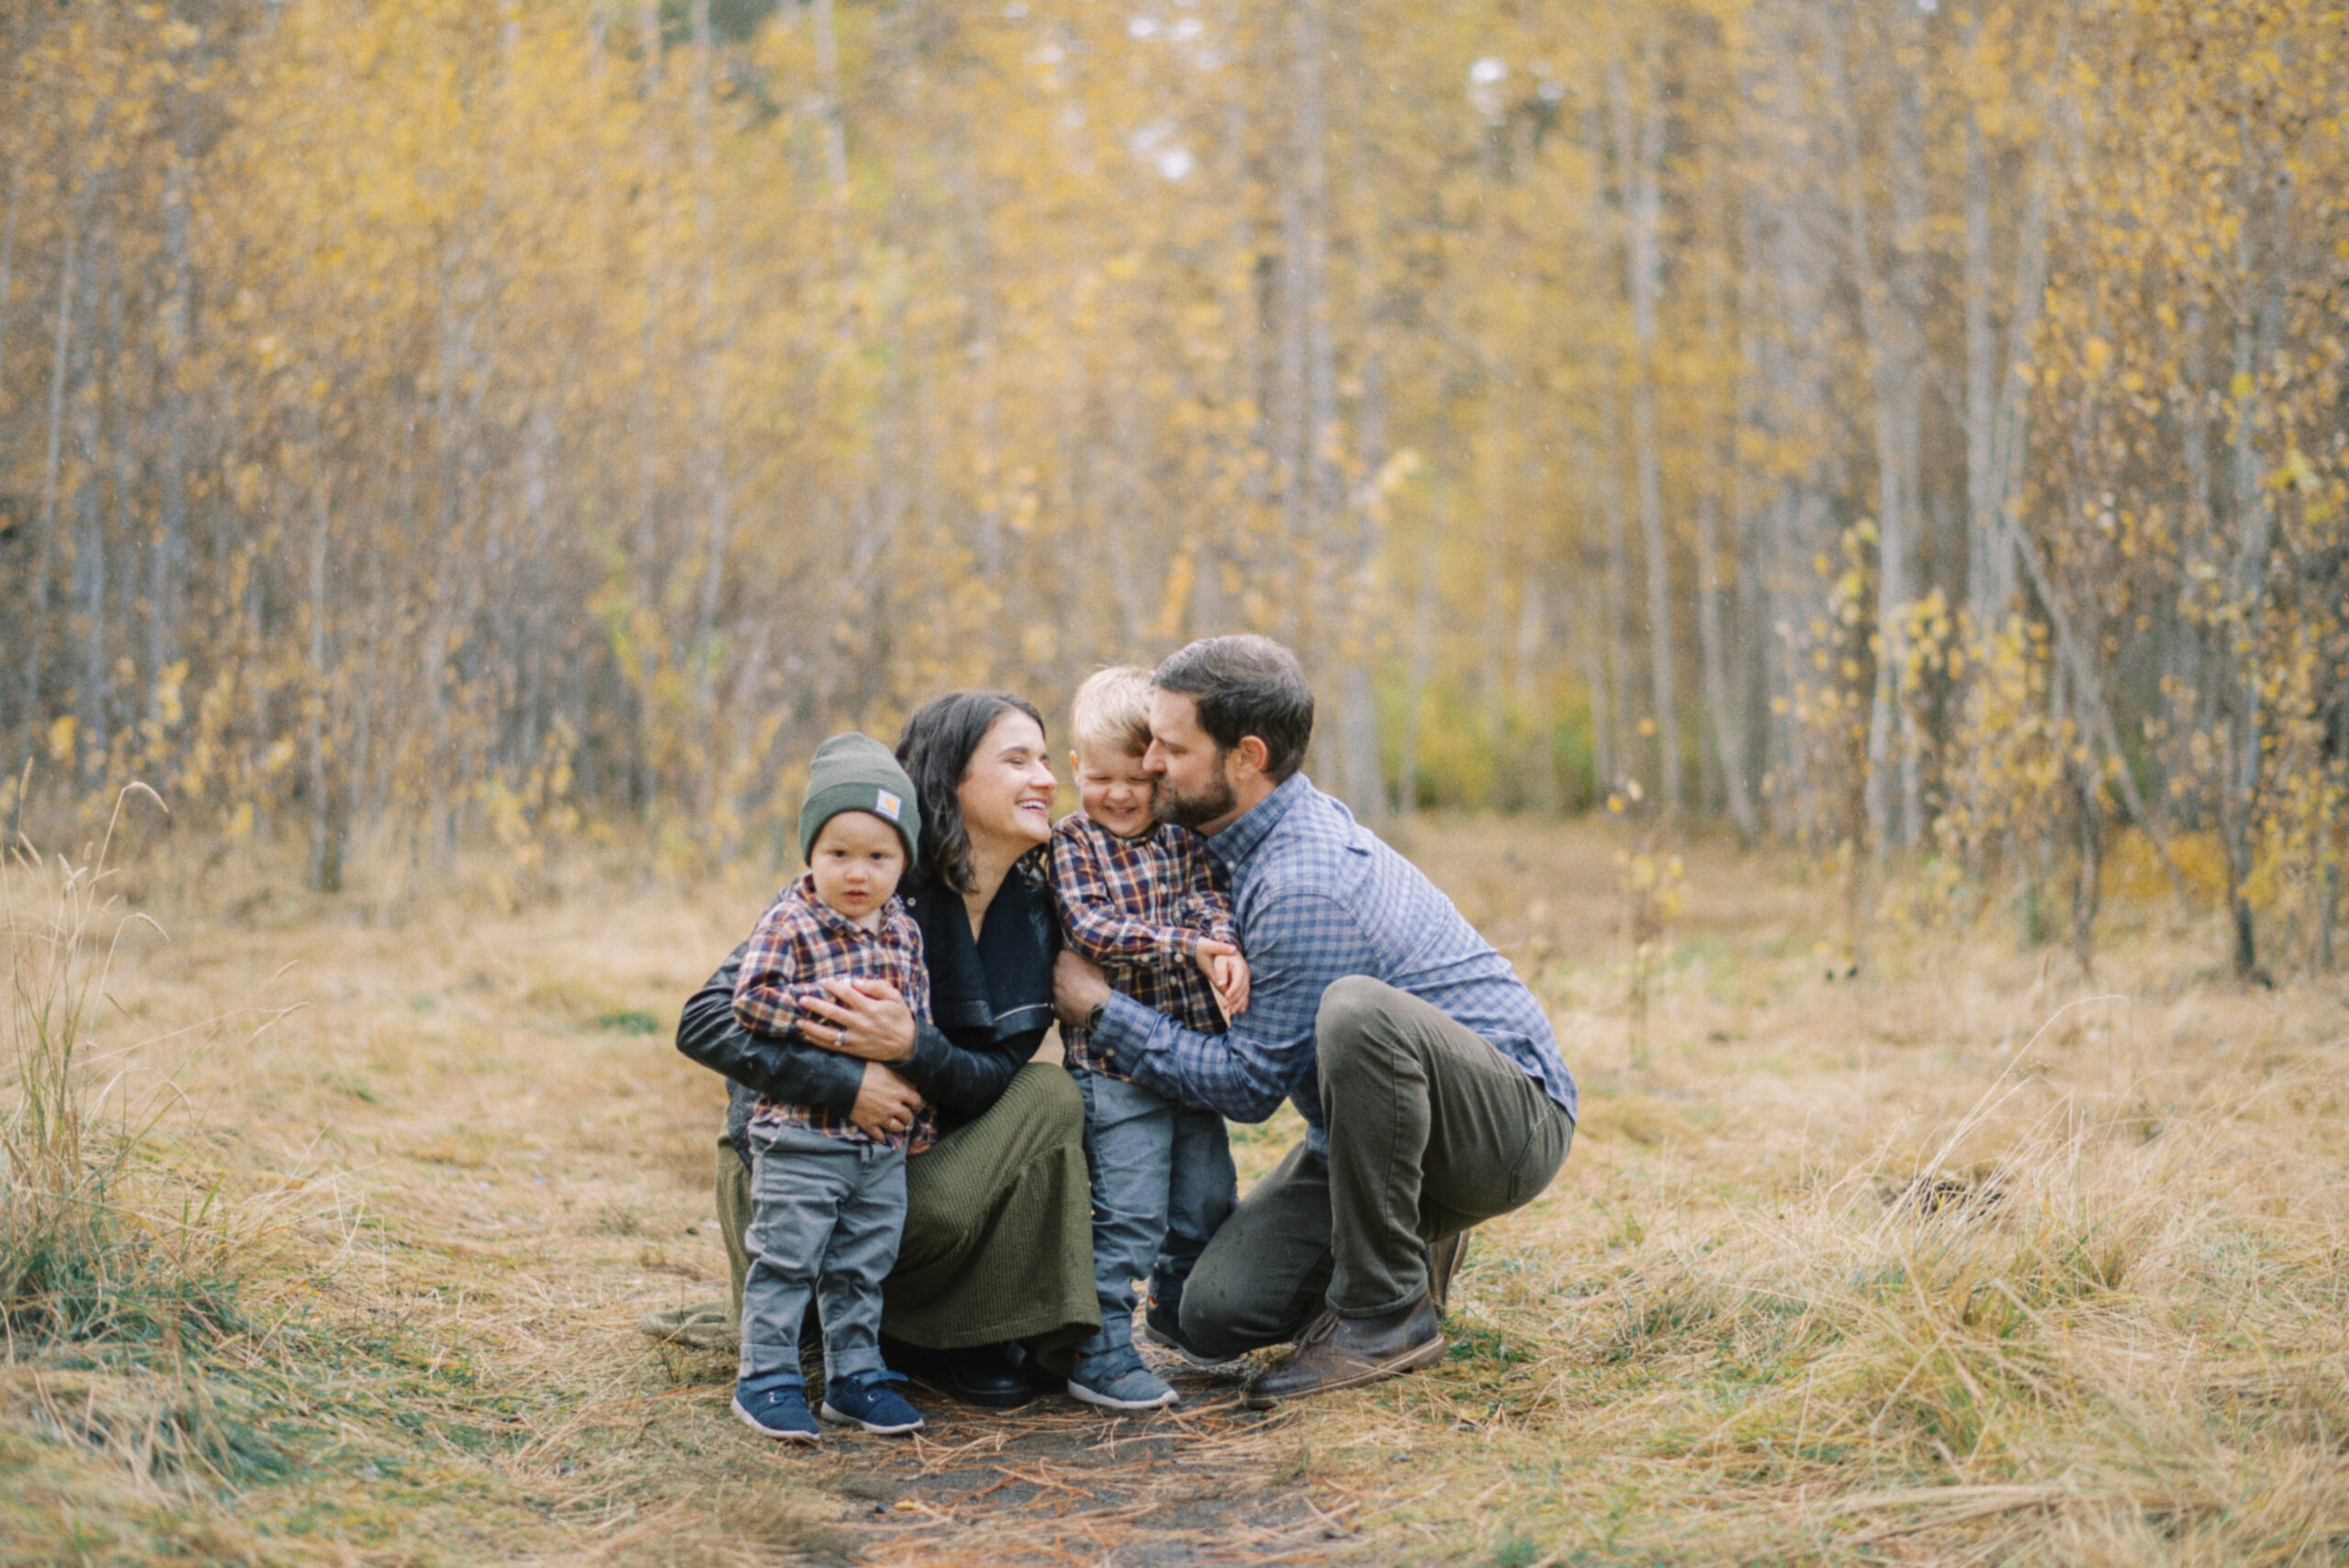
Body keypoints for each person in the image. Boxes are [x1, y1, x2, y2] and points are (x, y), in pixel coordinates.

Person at [1052, 635, 1579, 1407]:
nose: (1149, 763)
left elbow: (1248, 1088)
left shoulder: (1301, 882)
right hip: (1374, 1129)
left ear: (1246, 757)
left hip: (1504, 1127)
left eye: (1170, 746)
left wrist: (1100, 1010)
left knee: (1357, 1013)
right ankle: (1411, 1235)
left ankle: (1383, 1311)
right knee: (1207, 1313)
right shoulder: (1234, 831)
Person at [664, 691, 1097, 1409]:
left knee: (1049, 1095)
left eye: (1047, 760)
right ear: (949, 780)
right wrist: (845, 1079)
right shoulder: (865, 881)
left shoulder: (1034, 910)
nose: (1048, 779)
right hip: (795, 1169)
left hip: (897, 1174)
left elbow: (991, 1078)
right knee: (847, 1183)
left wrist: (913, 1045)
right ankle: (811, 1328)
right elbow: (704, 1018)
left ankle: (970, 1331)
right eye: (1017, 759)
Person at [1048, 667, 1250, 1412]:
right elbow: (1091, 927)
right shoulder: (1073, 841)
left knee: (1206, 1200)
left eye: (1137, 777)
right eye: (1101, 777)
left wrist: (1222, 944)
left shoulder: (1181, 838)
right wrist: (1183, 946)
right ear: (1077, 770)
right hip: (1114, 1074)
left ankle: (1173, 1308)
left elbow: (1210, 900)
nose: (1121, 795)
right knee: (1128, 1210)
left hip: (1188, 1060)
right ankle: (1097, 1349)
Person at [727, 733, 931, 1441]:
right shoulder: (791, 921)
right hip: (801, 1136)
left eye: (878, 857)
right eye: (838, 853)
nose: (856, 873)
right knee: (786, 1257)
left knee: (861, 1264)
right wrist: (832, 1025)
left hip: (878, 1144)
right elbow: (750, 1000)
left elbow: (916, 1030)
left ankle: (856, 1376)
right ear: (811, 853)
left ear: (903, 860)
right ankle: (767, 1377)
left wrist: (919, 1119)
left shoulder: (904, 932)